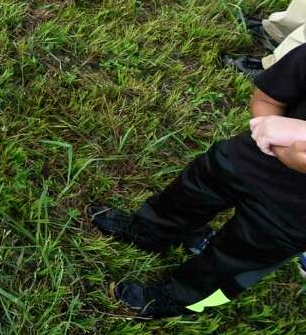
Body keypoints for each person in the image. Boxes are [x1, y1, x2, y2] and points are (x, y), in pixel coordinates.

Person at [88, 43, 306, 319]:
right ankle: (148, 231)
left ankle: (179, 298)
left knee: (232, 265)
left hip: (293, 218)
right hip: (243, 161)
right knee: (187, 195)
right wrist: (273, 138)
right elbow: (268, 99)